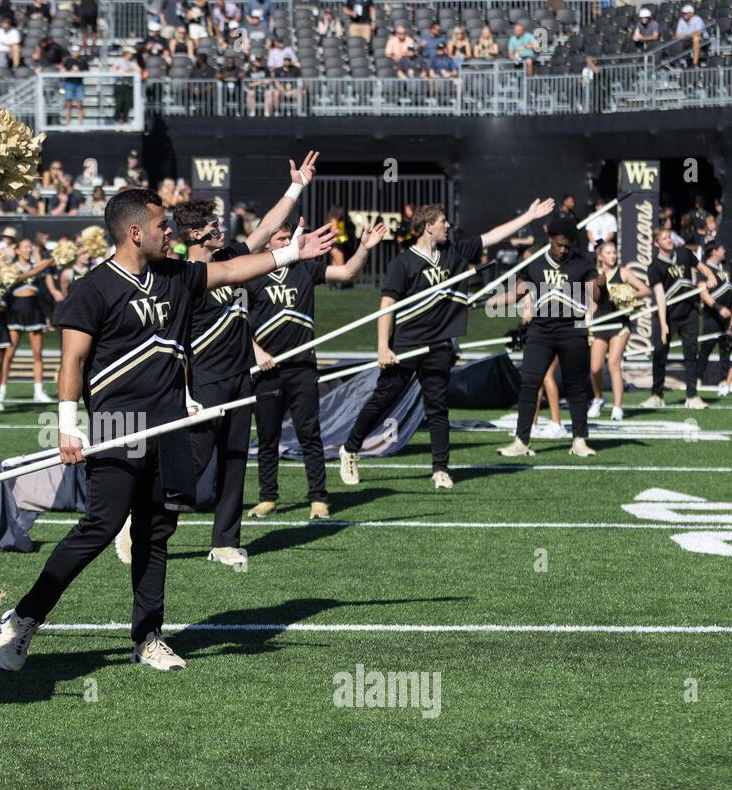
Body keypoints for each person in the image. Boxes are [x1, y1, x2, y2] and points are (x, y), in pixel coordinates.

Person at [0, 188, 333, 673]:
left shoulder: (175, 275)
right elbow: (72, 360)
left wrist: (290, 253)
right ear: (135, 232)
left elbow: (233, 270)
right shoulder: (94, 289)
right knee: (100, 527)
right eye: (161, 226)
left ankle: (148, 636)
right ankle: (26, 616)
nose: (169, 232)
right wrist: (68, 426)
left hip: (171, 422)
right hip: (118, 424)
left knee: (157, 532)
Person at [339, 198, 555, 489]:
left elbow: (492, 235)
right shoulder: (402, 263)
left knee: (438, 408)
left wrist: (528, 216)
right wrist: (382, 346)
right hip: (407, 344)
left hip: (439, 345)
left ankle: (440, 468)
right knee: (383, 399)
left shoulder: (453, 252)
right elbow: (386, 306)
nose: (449, 226)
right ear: (428, 227)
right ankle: (350, 449)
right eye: (443, 222)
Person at [172, 151, 319, 568]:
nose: (222, 228)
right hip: (204, 381)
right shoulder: (181, 277)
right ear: (196, 234)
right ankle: (147, 523)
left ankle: (224, 541)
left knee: (236, 459)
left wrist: (297, 185)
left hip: (241, 377)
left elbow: (270, 226)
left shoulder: (231, 259)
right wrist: (185, 393)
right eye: (213, 225)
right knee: (194, 461)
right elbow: (176, 343)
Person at [249, 216, 387, 519]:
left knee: (309, 433)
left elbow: (348, 271)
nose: (287, 244)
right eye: (280, 240)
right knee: (268, 436)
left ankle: (318, 497)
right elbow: (235, 323)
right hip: (267, 370)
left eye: (288, 239)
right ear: (266, 243)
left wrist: (364, 248)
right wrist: (256, 352)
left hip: (301, 367)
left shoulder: (305, 268)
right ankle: (267, 496)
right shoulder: (252, 275)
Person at [498, 220, 601, 458]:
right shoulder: (534, 262)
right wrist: (493, 301)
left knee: (576, 387)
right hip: (540, 332)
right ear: (550, 239)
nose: (563, 250)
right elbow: (518, 292)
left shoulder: (582, 263)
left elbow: (597, 295)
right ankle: (521, 441)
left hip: (573, 330)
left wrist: (600, 287)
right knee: (529, 384)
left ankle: (579, 440)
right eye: (559, 245)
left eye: (567, 246)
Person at [641, 226, 705, 409]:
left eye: (670, 237)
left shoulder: (684, 254)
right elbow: (660, 296)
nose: (669, 240)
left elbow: (702, 267)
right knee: (660, 354)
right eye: (664, 238)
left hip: (689, 312)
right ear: (656, 243)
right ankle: (656, 394)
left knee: (691, 353)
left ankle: (692, 396)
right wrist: (663, 325)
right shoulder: (654, 266)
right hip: (667, 315)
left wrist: (709, 276)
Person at [587, 240, 649, 421]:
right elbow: (591, 302)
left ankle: (617, 407)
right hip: (600, 324)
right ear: (600, 256)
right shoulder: (593, 275)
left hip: (619, 324)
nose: (612, 255)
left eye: (614, 252)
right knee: (595, 368)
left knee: (614, 363)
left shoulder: (624, 273)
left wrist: (627, 294)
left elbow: (646, 290)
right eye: (608, 252)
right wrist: (588, 319)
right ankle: (598, 399)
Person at [0, 238, 55, 406]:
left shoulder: (36, 265)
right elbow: (22, 277)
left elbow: (44, 267)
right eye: (25, 247)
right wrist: (46, 263)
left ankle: (38, 391)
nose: (28, 249)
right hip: (16, 309)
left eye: (30, 246)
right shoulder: (11, 268)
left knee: (37, 353)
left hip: (34, 309)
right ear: (16, 250)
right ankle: (0, 391)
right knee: (9, 354)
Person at [696, 242, 732, 395]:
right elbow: (702, 292)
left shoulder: (724, 267)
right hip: (712, 316)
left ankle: (724, 380)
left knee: (726, 348)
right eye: (722, 248)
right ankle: (697, 378)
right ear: (714, 251)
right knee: (706, 348)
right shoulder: (705, 269)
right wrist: (718, 308)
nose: (725, 250)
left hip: (728, 316)